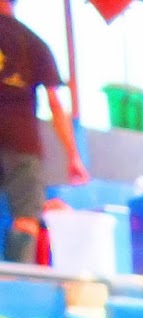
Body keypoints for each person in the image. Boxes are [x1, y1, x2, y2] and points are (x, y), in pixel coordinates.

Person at [0, 0, 88, 264]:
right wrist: (73, 156)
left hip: (19, 143)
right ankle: (17, 288)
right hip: (22, 143)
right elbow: (55, 105)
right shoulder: (33, 43)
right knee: (26, 219)